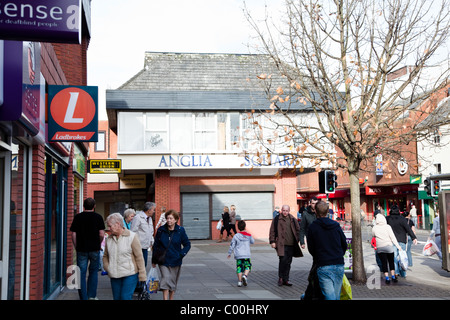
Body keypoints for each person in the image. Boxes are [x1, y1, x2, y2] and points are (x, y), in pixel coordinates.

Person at [306, 201, 347, 300]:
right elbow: (344, 243)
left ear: (315, 211)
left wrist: (319, 257)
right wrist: (339, 254)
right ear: (327, 211)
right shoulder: (336, 225)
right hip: (338, 264)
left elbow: (311, 248)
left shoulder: (313, 227)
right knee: (336, 296)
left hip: (324, 265)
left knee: (330, 297)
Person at [103, 213, 146, 300]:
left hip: (130, 274)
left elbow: (139, 257)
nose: (108, 229)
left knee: (125, 297)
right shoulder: (109, 239)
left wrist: (142, 275)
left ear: (118, 224)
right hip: (114, 274)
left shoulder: (132, 236)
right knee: (117, 298)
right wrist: (108, 267)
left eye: (110, 226)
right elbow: (105, 256)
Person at [70, 197, 105, 300]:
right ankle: (91, 296)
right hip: (95, 249)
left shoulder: (78, 217)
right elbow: (102, 233)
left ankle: (83, 297)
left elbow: (73, 234)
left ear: (83, 206)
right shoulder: (98, 217)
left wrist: (76, 246)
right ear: (94, 206)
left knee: (81, 273)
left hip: (81, 249)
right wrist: (98, 243)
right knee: (93, 272)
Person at [152, 209, 191, 300]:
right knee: (166, 278)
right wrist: (154, 260)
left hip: (175, 260)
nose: (169, 220)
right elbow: (156, 245)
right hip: (163, 260)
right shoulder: (161, 230)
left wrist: (181, 255)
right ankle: (165, 299)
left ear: (176, 220)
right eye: (167, 218)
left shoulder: (180, 230)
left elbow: (187, 244)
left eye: (171, 218)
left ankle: (171, 298)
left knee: (173, 281)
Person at [269, 204, 303, 286]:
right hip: (281, 244)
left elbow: (298, 230)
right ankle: (281, 278)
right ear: (281, 210)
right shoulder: (277, 219)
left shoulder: (293, 219)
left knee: (288, 262)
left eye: (286, 211)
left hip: (291, 244)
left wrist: (298, 240)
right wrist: (272, 241)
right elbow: (272, 231)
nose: (285, 212)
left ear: (289, 211)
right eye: (283, 210)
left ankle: (286, 279)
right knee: (283, 261)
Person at [387, 205, 417, 278]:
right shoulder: (402, 219)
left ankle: (396, 272)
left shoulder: (387, 219)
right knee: (402, 257)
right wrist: (414, 237)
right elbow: (408, 229)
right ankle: (403, 273)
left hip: (392, 241)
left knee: (394, 257)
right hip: (402, 240)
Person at [372, 213, 403, 284]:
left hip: (380, 248)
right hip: (389, 247)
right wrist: (398, 246)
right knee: (391, 262)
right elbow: (393, 237)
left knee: (384, 263)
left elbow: (373, 235)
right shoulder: (388, 227)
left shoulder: (374, 228)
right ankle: (393, 276)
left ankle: (387, 278)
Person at [227, 220, 255, 287]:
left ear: (238, 227)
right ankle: (245, 276)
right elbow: (252, 241)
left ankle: (239, 282)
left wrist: (229, 253)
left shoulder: (236, 236)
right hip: (246, 255)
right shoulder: (248, 235)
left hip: (239, 255)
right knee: (247, 266)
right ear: (245, 227)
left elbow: (232, 245)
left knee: (239, 267)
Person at [131, 202, 156, 267]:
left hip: (145, 246)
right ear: (149, 210)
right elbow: (133, 231)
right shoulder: (138, 218)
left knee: (144, 265)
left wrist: (152, 243)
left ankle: (142, 277)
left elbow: (151, 232)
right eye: (153, 209)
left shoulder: (149, 218)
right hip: (138, 247)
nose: (154, 211)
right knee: (139, 266)